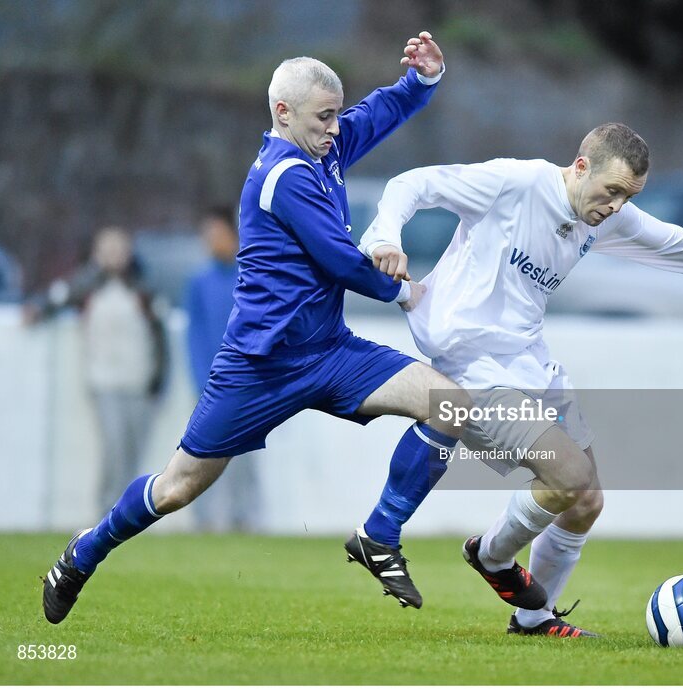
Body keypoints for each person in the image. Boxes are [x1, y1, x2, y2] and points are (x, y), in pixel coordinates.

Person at [42, 32, 472, 625]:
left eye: (336, 115)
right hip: (259, 366)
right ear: (283, 113)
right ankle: (80, 555)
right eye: (324, 117)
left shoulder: (324, 145)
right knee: (175, 490)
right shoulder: (283, 176)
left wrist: (420, 80)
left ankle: (380, 533)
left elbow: (375, 116)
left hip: (330, 353)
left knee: (449, 404)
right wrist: (403, 290)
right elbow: (338, 259)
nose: (335, 128)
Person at [359, 123, 683, 637]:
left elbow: (669, 241)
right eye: (612, 190)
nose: (617, 205)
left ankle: (533, 619)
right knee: (568, 476)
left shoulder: (603, 216)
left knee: (586, 502)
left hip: (531, 362)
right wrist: (383, 238)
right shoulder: (517, 183)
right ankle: (491, 556)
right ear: (580, 167)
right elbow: (413, 184)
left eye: (628, 196)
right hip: (473, 367)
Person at [26, 227, 168, 509]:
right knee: (114, 447)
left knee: (133, 452)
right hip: (104, 381)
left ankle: (131, 512)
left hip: (138, 381)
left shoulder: (142, 289)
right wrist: (37, 310)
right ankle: (107, 509)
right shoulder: (89, 286)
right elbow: (59, 297)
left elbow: (160, 339)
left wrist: (158, 379)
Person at [185, 206, 259, 532]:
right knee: (201, 454)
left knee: (244, 456)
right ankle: (202, 519)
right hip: (211, 387)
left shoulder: (252, 275)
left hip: (247, 384)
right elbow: (195, 335)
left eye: (216, 234)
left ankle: (243, 516)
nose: (210, 241)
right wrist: (203, 380)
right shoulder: (199, 283)